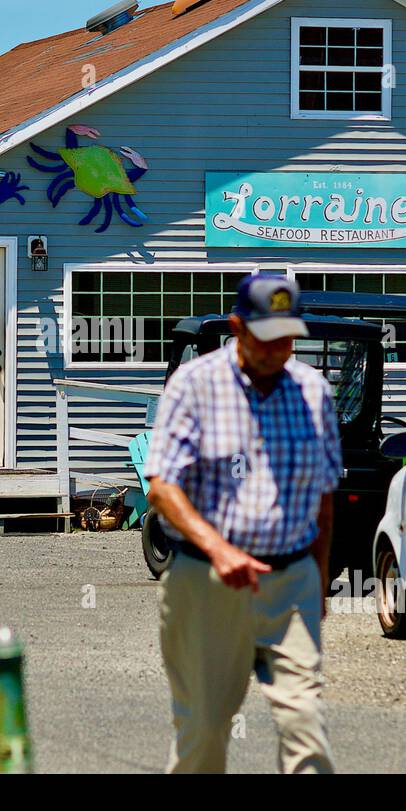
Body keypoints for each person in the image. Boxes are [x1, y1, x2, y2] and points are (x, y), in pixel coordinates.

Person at [145, 274, 341, 774]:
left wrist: (317, 581)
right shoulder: (195, 384)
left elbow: (323, 498)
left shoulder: (313, 390)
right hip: (209, 581)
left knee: (306, 723)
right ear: (237, 326)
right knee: (205, 731)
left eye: (289, 336)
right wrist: (218, 549)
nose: (280, 348)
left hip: (291, 579)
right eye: (267, 335)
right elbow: (162, 487)